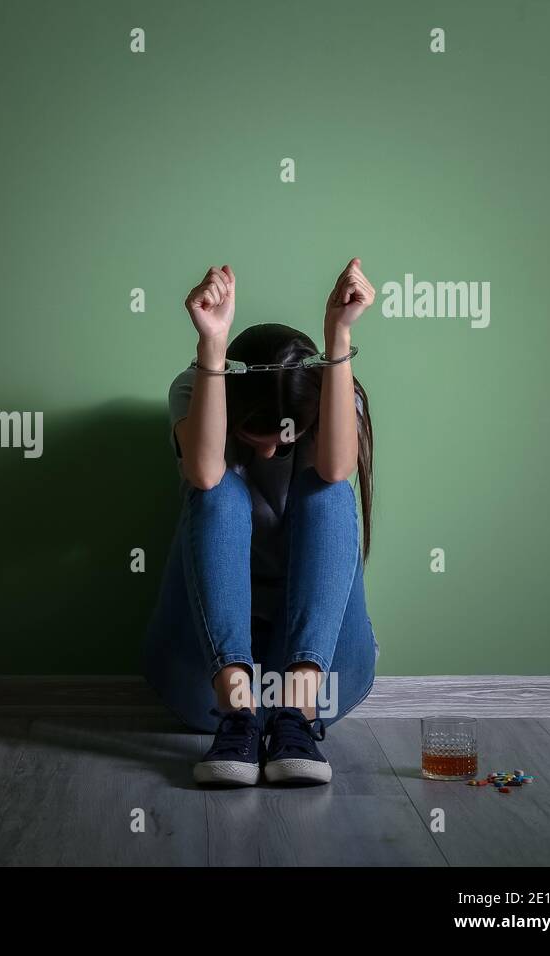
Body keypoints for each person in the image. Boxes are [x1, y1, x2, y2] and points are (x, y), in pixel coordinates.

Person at [143, 259, 379, 786]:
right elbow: (204, 473)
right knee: (218, 489)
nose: (272, 449)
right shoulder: (196, 387)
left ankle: (296, 713)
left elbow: (338, 469)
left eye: (285, 436)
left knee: (328, 489)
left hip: (323, 677)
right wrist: (212, 344)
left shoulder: (334, 394)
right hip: (207, 680)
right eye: (258, 436)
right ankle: (239, 714)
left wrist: (338, 336)